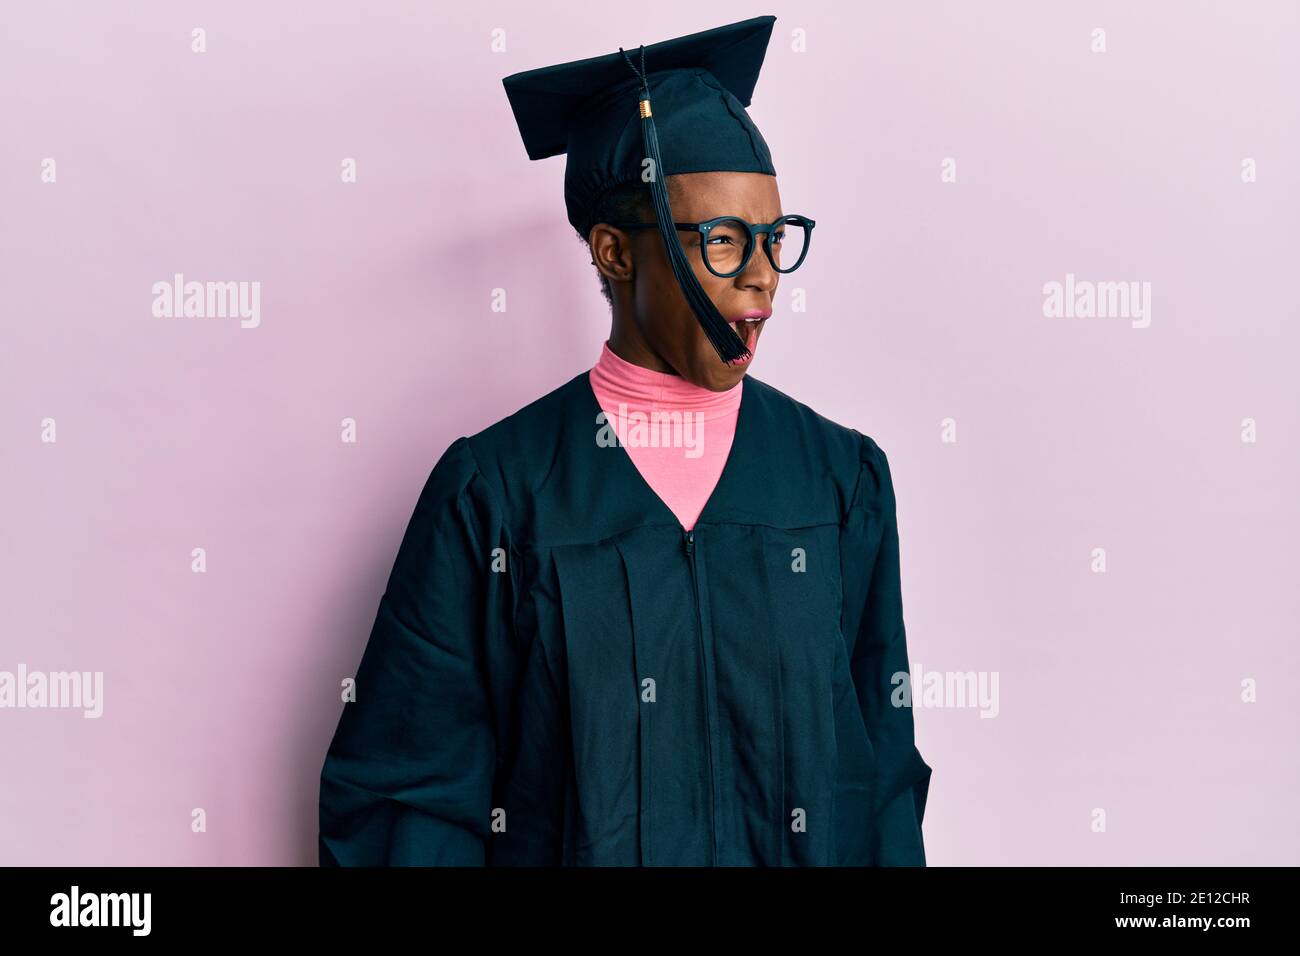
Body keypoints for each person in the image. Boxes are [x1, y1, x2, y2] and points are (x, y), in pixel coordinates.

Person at [318, 14, 933, 866]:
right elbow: (409, 798)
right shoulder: (497, 493)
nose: (760, 274)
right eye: (721, 241)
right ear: (614, 253)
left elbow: (880, 787)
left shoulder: (838, 480)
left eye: (772, 238)